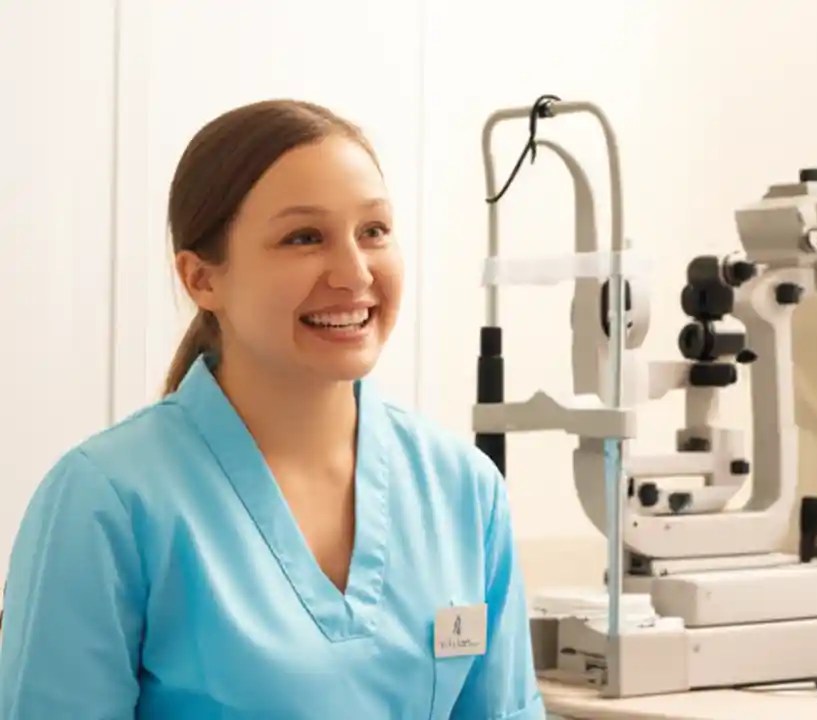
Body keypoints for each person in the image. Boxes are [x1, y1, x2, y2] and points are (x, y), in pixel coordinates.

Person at [0, 99, 545, 719]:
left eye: (374, 231)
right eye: (303, 237)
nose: (353, 272)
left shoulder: (464, 493)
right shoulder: (106, 503)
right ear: (202, 279)